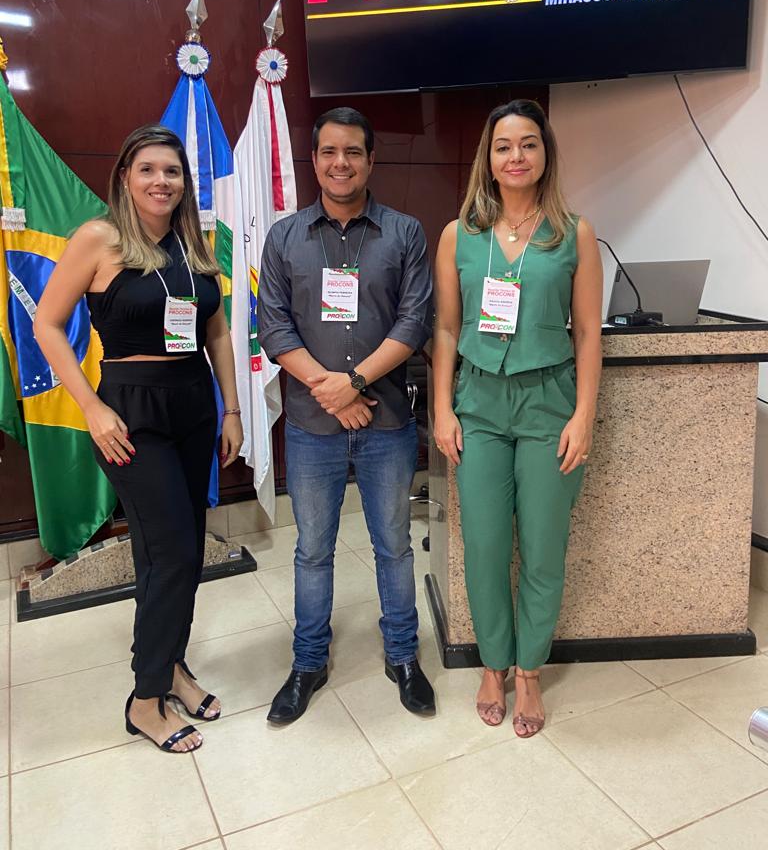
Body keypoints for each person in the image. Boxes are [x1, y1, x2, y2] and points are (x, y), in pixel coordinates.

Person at [35, 124, 243, 754]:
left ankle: (171, 668)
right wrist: (92, 407)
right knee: (176, 550)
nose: (162, 182)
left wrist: (231, 409)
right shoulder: (99, 239)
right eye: (148, 169)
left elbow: (219, 333)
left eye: (173, 172)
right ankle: (144, 699)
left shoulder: (192, 244)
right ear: (125, 176)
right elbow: (45, 324)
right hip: (129, 412)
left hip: (192, 406)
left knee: (171, 553)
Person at [258, 106, 435, 724]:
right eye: (329, 152)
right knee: (313, 550)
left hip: (387, 422)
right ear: (314, 161)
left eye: (353, 152)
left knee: (394, 545)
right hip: (312, 425)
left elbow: (413, 322)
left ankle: (403, 657)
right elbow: (273, 326)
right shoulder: (284, 237)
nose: (341, 163)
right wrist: (330, 391)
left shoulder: (405, 232)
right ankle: (308, 662)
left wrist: (355, 381)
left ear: (370, 160)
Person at [432, 99, 602, 736]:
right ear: (489, 157)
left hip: (548, 403)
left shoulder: (573, 233)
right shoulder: (460, 235)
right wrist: (443, 408)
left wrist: (584, 414)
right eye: (504, 146)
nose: (516, 157)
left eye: (528, 144)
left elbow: (588, 333)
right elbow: (447, 329)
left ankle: (529, 670)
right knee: (483, 544)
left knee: (543, 546)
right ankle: (492, 663)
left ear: (545, 154)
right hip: (478, 406)